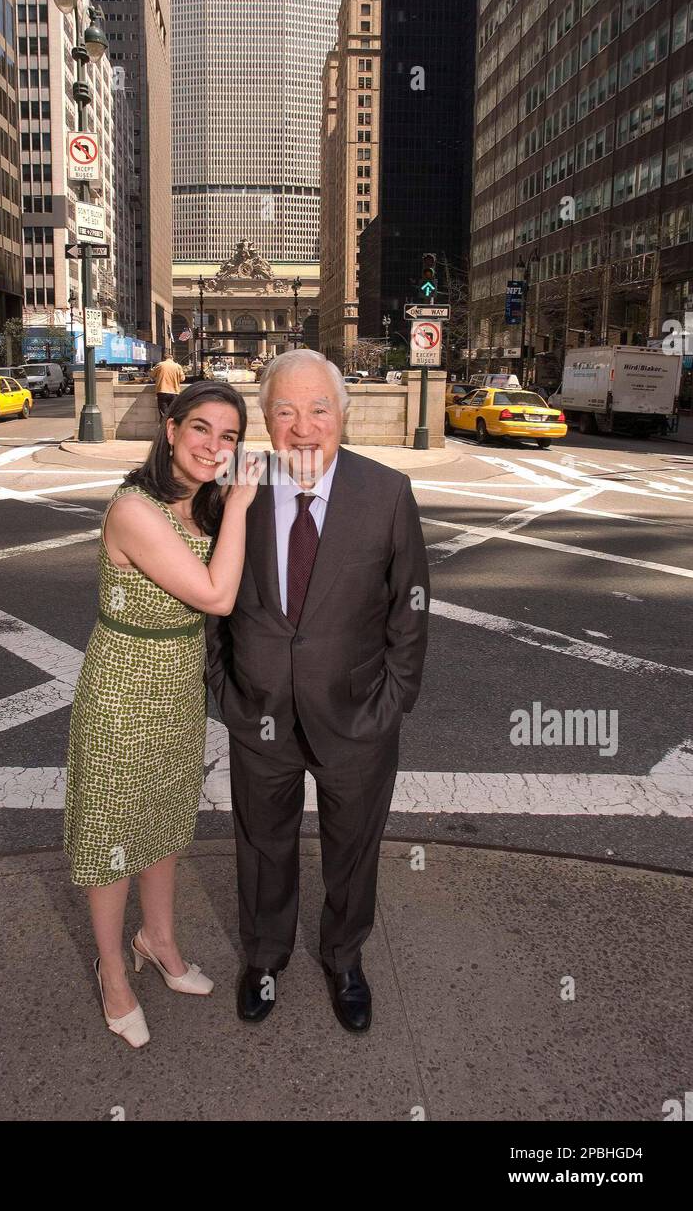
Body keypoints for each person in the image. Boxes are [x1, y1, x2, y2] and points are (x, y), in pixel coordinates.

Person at [206, 349, 430, 1034]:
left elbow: (410, 610)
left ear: (343, 416)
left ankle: (343, 957)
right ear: (264, 420)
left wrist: (391, 703)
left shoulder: (386, 494)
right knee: (262, 844)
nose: (302, 428)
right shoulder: (233, 486)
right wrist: (225, 689)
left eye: (318, 410)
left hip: (357, 716)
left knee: (352, 848)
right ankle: (265, 958)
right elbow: (210, 599)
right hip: (260, 713)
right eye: (284, 411)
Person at [64, 381, 262, 1048]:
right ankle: (113, 970)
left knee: (166, 819)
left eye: (228, 437)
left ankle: (159, 941)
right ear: (171, 429)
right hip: (122, 686)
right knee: (115, 832)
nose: (213, 446)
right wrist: (239, 502)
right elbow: (215, 595)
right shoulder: (135, 509)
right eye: (201, 429)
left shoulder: (197, 505)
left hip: (178, 683)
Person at [150, 350, 186, 419]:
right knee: (173, 413)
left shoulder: (160, 365)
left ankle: (164, 428)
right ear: (172, 358)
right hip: (174, 392)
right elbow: (182, 379)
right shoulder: (177, 366)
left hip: (162, 391)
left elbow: (152, 375)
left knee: (164, 414)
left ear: (164, 359)